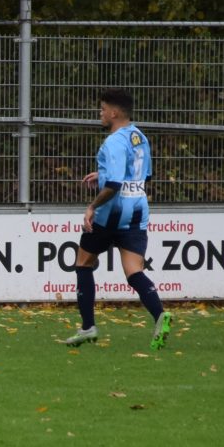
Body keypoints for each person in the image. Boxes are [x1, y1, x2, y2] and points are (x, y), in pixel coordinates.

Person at [63, 88, 170, 350]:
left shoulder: (112, 142)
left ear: (113, 112)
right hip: (138, 210)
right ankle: (160, 315)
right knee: (134, 271)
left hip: (111, 212)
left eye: (102, 110)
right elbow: (141, 177)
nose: (100, 114)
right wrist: (102, 175)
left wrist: (91, 206)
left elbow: (113, 184)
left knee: (84, 262)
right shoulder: (139, 137)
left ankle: (88, 327)